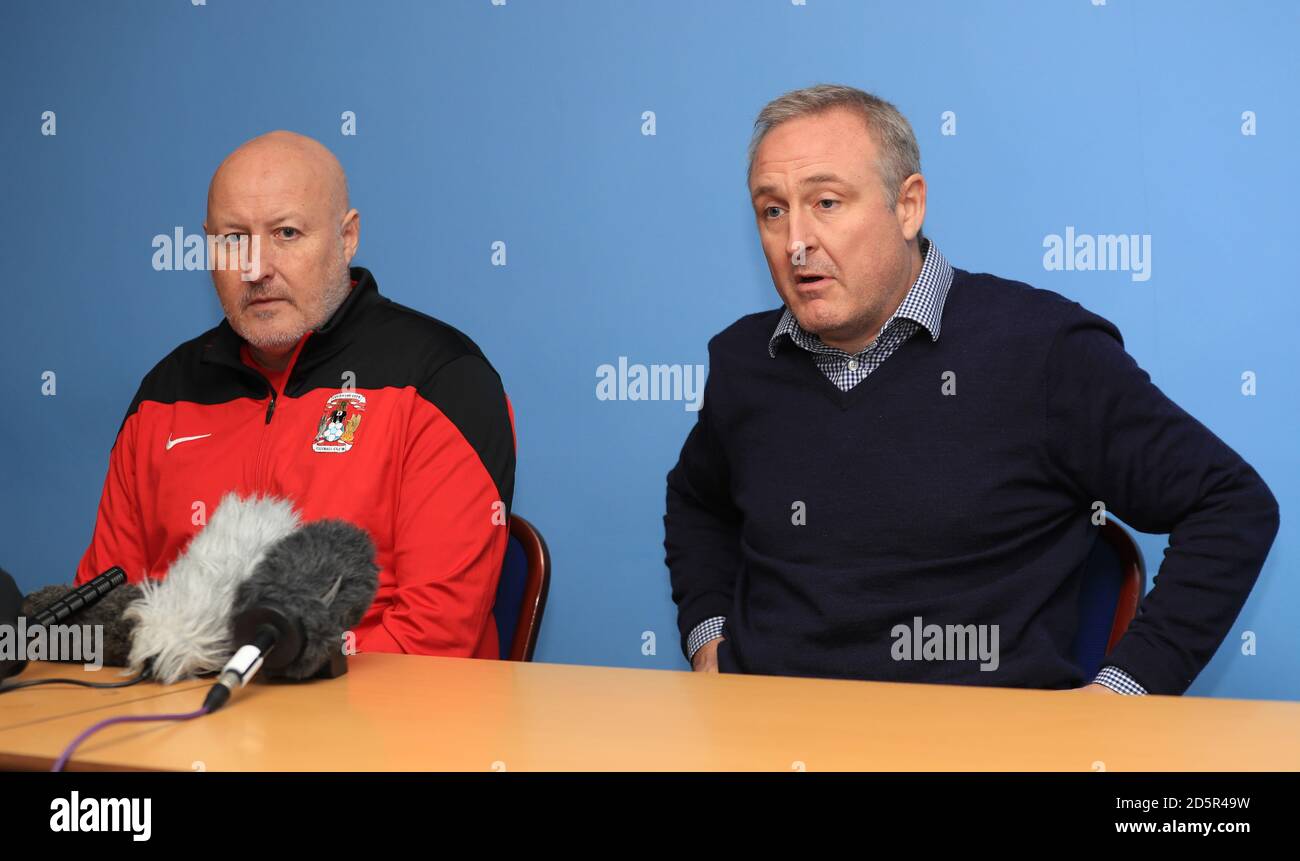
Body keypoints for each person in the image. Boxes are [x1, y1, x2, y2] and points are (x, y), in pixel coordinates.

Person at [665, 85, 1279, 695]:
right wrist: (709, 636)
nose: (796, 241)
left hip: (978, 745)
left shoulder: (1043, 350)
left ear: (908, 206)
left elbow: (1231, 505)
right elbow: (697, 501)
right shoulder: (743, 360)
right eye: (773, 211)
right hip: (765, 737)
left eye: (826, 202)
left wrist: (1125, 694)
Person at [77, 131, 516, 658]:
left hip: (381, 729)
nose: (256, 269)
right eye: (233, 239)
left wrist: (252, 693)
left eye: (286, 233)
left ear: (347, 236)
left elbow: (434, 640)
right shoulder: (163, 395)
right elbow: (104, 608)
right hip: (179, 723)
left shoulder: (442, 379)